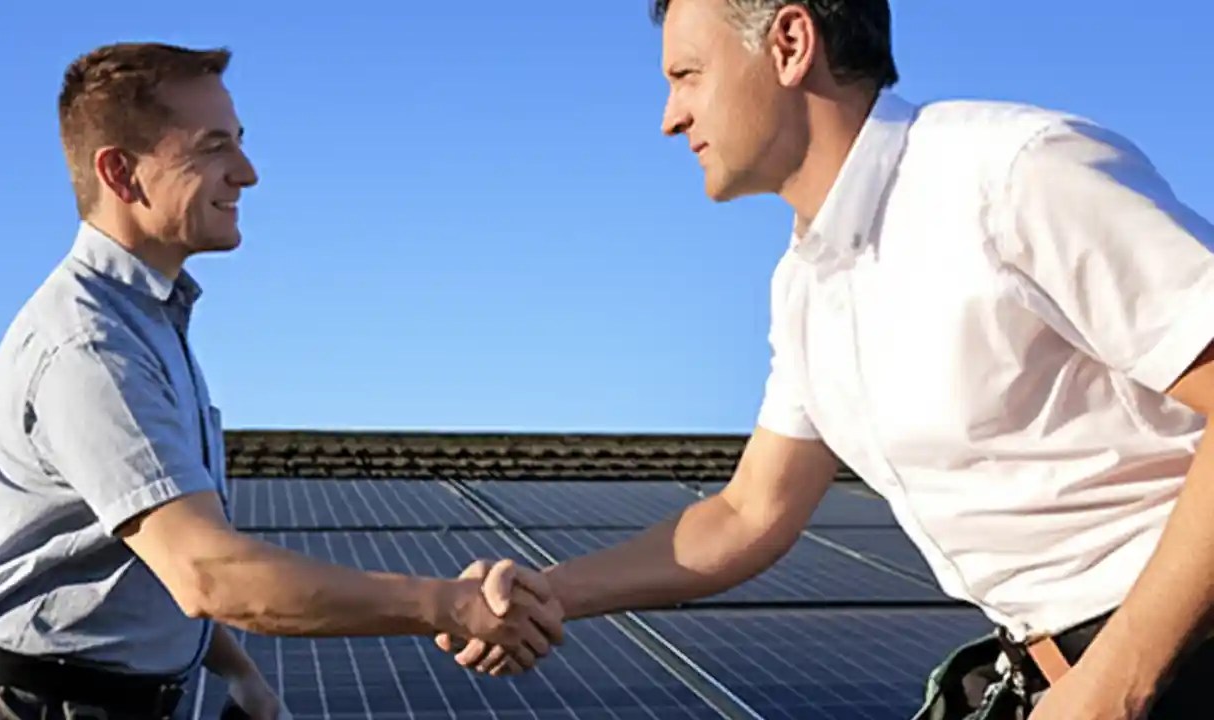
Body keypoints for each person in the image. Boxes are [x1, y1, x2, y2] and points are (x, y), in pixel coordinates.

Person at [434, 1, 1214, 718]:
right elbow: (747, 516)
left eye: (686, 75)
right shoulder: (803, 285)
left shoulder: (1009, 175)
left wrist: (1116, 683)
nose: (671, 118)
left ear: (791, 43)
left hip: (1174, 655)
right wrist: (544, 593)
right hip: (1058, 676)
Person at [0, 42, 561, 720]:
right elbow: (207, 572)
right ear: (120, 172)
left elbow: (143, 559)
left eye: (239, 143)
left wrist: (241, 676)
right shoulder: (91, 346)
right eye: (213, 148)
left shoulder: (147, 325)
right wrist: (449, 604)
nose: (248, 173)